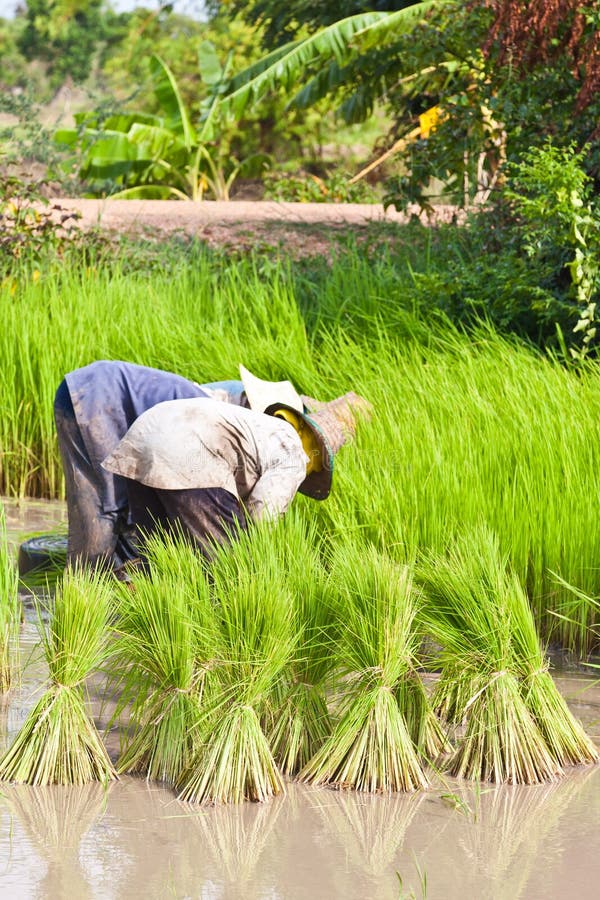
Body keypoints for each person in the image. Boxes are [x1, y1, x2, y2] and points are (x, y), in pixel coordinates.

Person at [54, 359, 305, 570]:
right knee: (105, 509)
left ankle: (100, 592)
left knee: (125, 520)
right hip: (94, 399)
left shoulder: (214, 405)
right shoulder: (208, 412)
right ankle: (82, 600)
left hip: (88, 392)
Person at [101, 390, 369, 562]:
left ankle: (127, 620)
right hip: (189, 454)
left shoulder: (266, 427)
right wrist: (262, 558)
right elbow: (262, 509)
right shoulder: (296, 452)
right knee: (230, 565)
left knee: (160, 559)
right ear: (320, 456)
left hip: (144, 435)